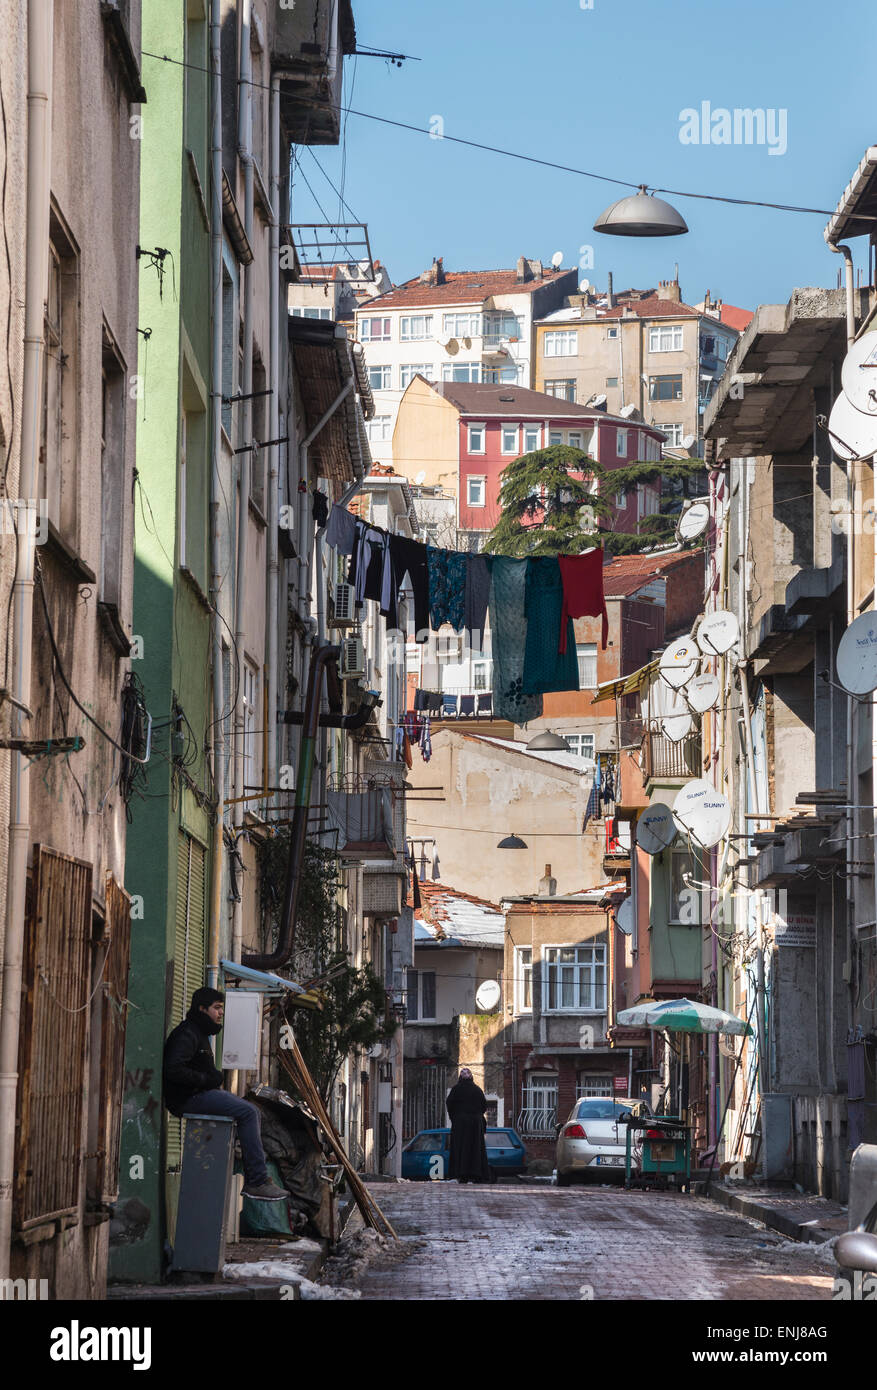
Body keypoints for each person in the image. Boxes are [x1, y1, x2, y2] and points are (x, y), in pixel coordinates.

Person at [163, 986, 288, 1201]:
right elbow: (173, 1069)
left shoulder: (198, 1033)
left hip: (198, 1094)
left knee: (253, 1113)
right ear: (202, 1009)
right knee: (248, 1112)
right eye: (216, 1008)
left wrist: (211, 1078)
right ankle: (257, 1181)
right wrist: (206, 1079)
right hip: (188, 1099)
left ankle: (247, 1169)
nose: (221, 1013)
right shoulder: (187, 1033)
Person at [446, 1066, 491, 1184]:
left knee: (460, 1148)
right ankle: (476, 1175)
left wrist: (455, 1118)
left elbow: (449, 1104)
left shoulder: (455, 1090)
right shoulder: (477, 1090)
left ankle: (461, 1174)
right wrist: (475, 1116)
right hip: (475, 1125)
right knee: (475, 1148)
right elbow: (484, 1106)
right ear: (471, 1077)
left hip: (460, 1124)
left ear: (460, 1077)